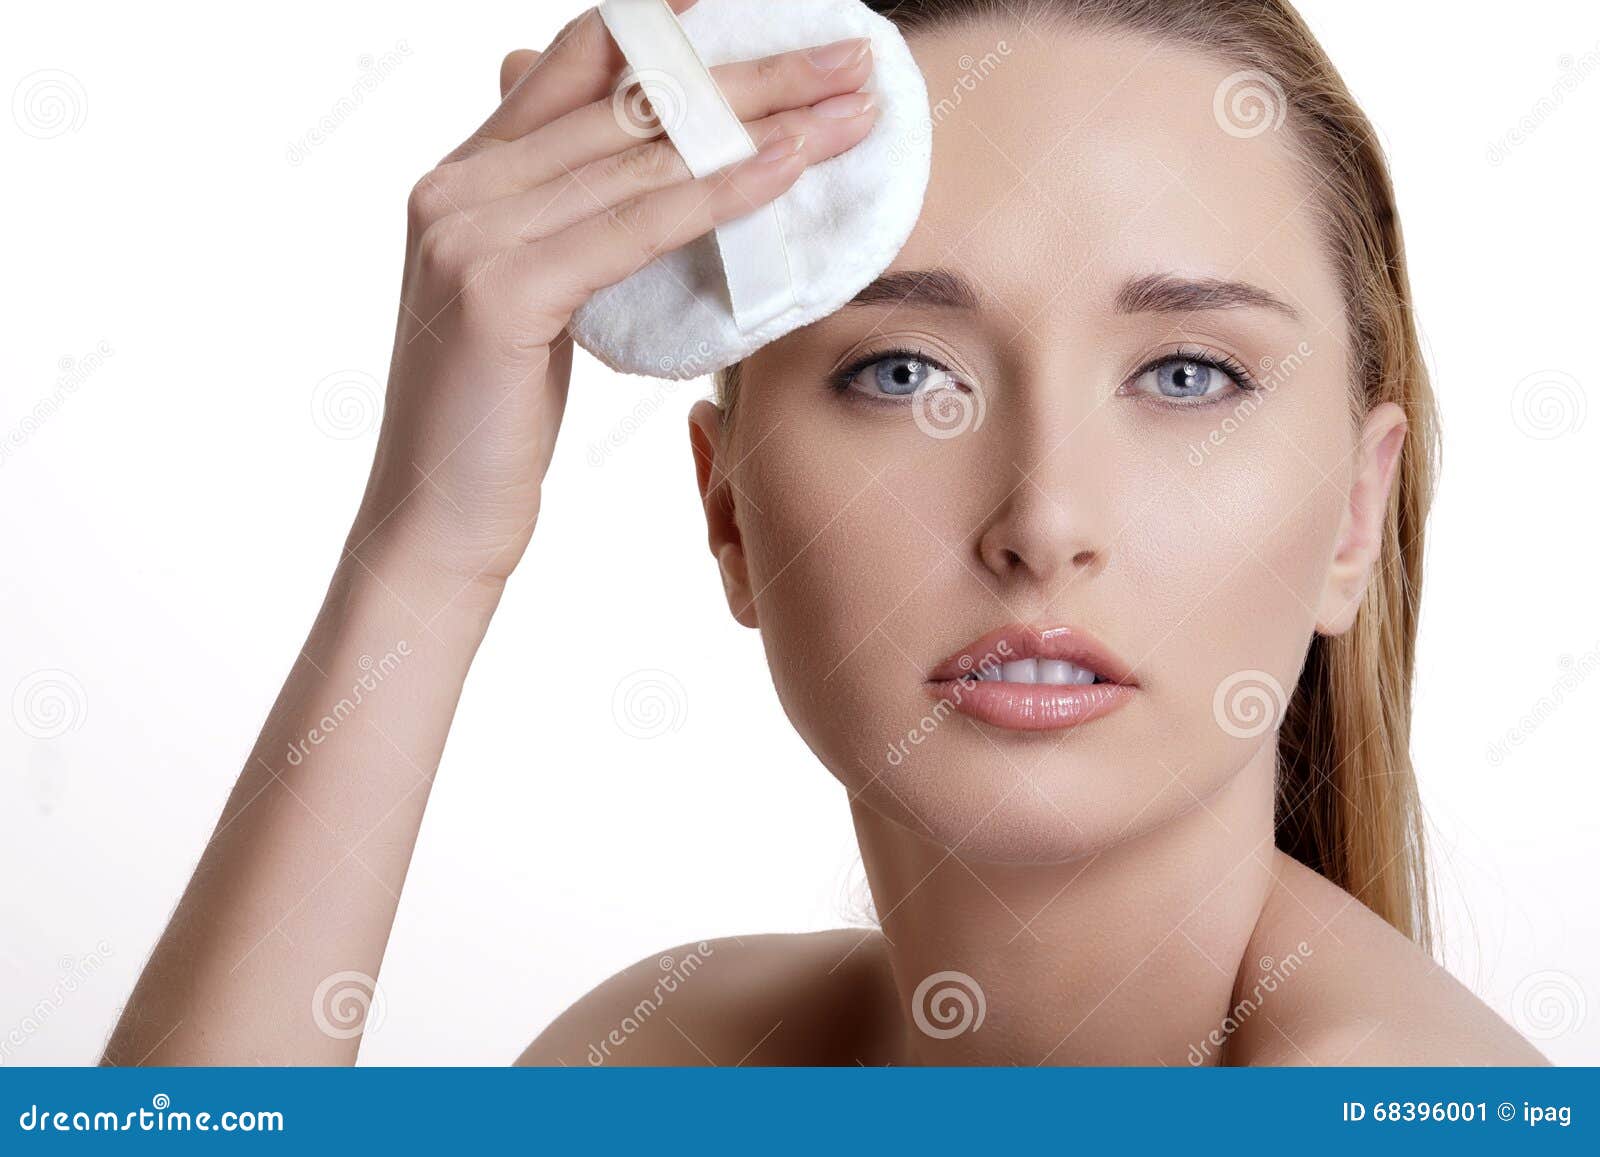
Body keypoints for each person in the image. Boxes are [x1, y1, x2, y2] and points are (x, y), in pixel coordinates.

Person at [104, 0, 1546, 1066]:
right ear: (726, 506)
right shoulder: (664, 1053)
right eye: (904, 373)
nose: (1042, 520)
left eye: (1186, 375)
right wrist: (430, 543)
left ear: (1358, 513)